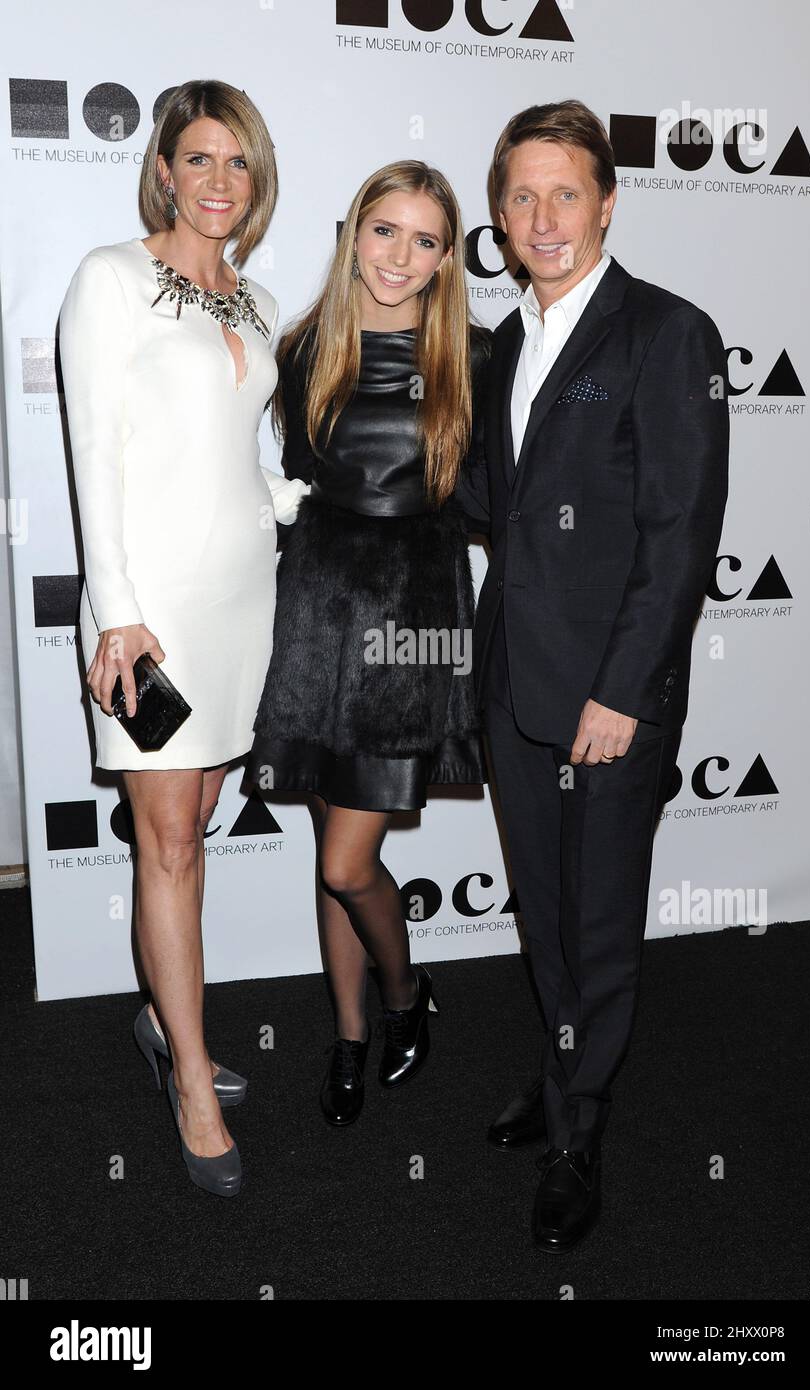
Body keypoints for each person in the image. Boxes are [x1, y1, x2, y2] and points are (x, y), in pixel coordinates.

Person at [455, 100, 729, 1251]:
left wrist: (621, 692)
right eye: (520, 196)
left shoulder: (669, 335)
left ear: (607, 203)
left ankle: (580, 1135)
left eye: (564, 192)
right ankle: (561, 1067)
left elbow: (680, 535)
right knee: (548, 918)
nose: (541, 216)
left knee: (602, 925)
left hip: (608, 699)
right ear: (500, 220)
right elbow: (482, 509)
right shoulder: (502, 345)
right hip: (516, 686)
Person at [59, 79, 309, 1198]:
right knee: (166, 841)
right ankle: (194, 1080)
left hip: (240, 600)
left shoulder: (253, 304)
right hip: (147, 611)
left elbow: (223, 452)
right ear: (163, 167)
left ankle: (170, 1024)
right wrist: (117, 609)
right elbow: (97, 455)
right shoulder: (109, 281)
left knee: (196, 824)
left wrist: (302, 498)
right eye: (198, 160)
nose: (218, 182)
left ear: (257, 181)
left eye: (238, 163)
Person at [245, 161, 491, 1126]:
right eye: (384, 231)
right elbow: (296, 483)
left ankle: (404, 996)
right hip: (314, 613)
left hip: (415, 616)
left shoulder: (474, 354)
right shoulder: (305, 346)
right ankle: (349, 1034)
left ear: (445, 258)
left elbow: (481, 495)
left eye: (424, 240)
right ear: (354, 233)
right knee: (325, 847)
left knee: (351, 863)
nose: (399, 256)